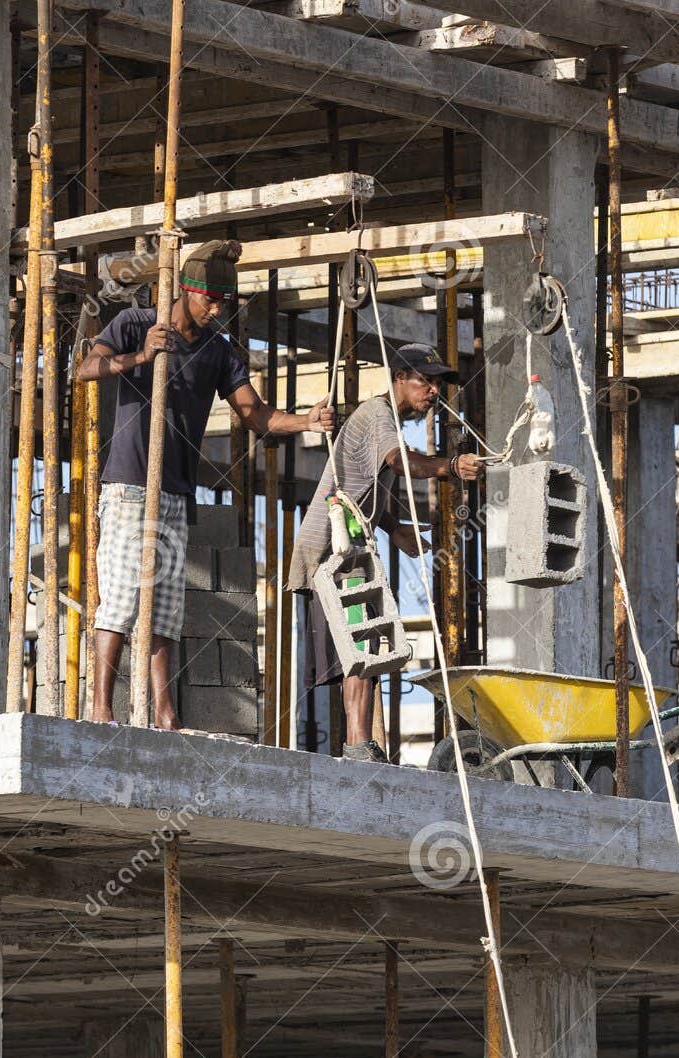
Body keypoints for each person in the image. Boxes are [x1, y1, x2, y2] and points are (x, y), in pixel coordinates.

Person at [77, 238, 333, 728]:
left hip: (175, 493)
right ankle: (101, 709)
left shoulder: (218, 352)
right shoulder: (136, 324)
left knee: (167, 608)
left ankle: (165, 714)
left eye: (224, 302)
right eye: (210, 299)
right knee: (124, 599)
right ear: (185, 291)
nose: (217, 309)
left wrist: (306, 422)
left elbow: (254, 414)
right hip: (129, 485)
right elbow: (86, 369)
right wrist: (138, 358)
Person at [287, 344, 483, 761]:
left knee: (366, 643)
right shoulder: (378, 415)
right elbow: (398, 464)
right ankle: (358, 744)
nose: (433, 392)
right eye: (424, 382)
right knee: (359, 646)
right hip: (331, 551)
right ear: (398, 378)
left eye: (436, 384)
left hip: (350, 547)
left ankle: (360, 743)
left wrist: (396, 531)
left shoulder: (386, 419)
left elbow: (368, 484)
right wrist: (449, 466)